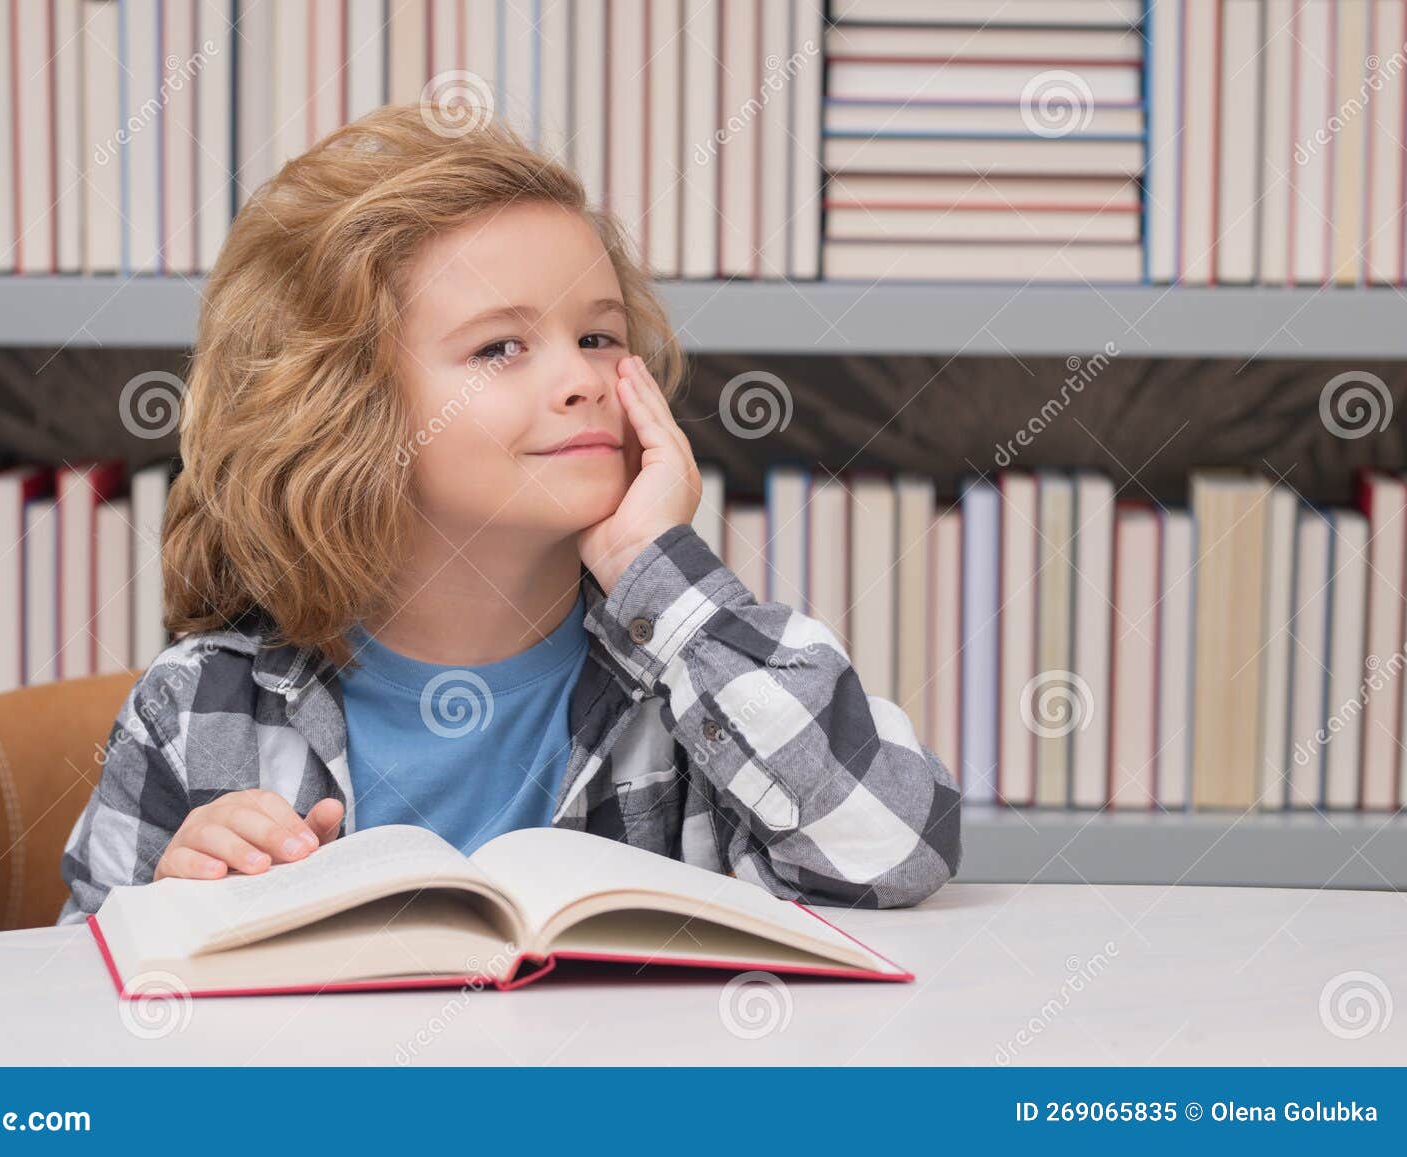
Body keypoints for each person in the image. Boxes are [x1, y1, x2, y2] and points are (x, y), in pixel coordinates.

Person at [55, 101, 960, 925]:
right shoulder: (196, 708)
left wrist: (663, 574)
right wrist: (170, 917)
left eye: (598, 336)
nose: (581, 381)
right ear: (342, 408)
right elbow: (74, 1005)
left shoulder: (698, 678)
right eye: (501, 347)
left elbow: (898, 850)